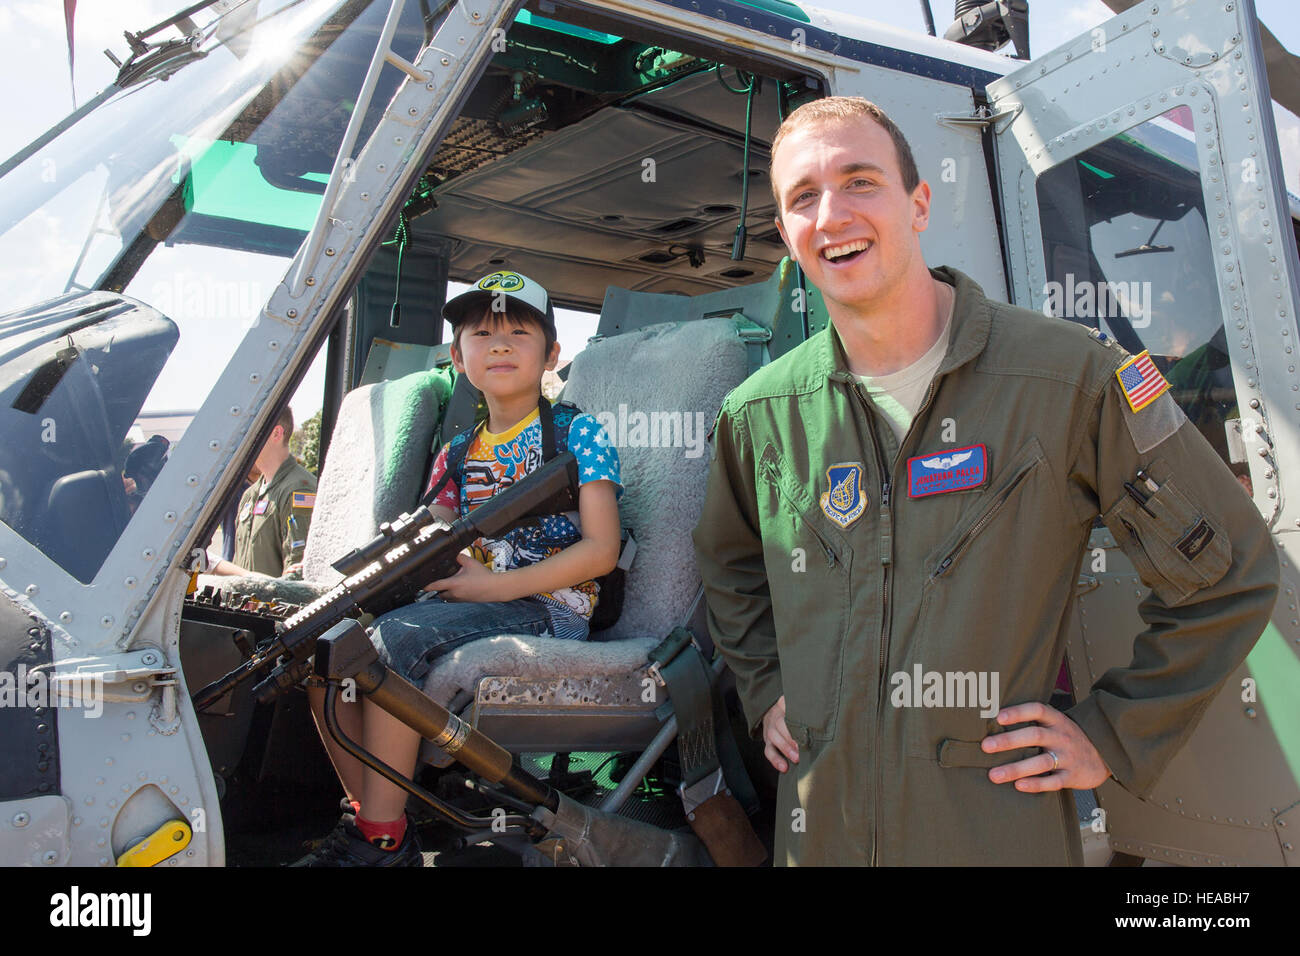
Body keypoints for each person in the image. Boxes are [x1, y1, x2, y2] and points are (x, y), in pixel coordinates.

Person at [690, 97, 1279, 866]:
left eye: (860, 181)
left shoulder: (1071, 380)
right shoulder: (759, 413)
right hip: (822, 834)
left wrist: (1111, 733)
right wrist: (767, 684)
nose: (832, 213)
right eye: (804, 196)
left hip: (990, 832)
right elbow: (730, 564)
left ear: (919, 203)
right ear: (786, 234)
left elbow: (1228, 571)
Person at [295, 270, 623, 866]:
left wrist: (494, 585)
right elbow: (436, 537)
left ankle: (381, 839)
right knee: (328, 654)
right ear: (457, 355)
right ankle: (375, 825)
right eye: (481, 333)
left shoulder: (576, 434)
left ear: (552, 354)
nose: (498, 345)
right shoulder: (454, 455)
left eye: (518, 332)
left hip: (548, 608)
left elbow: (601, 550)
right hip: (467, 603)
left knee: (390, 648)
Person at [210, 406, 317, 578]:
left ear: (276, 433)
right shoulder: (250, 495)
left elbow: (299, 572)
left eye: (250, 431)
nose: (241, 440)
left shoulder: (299, 489)